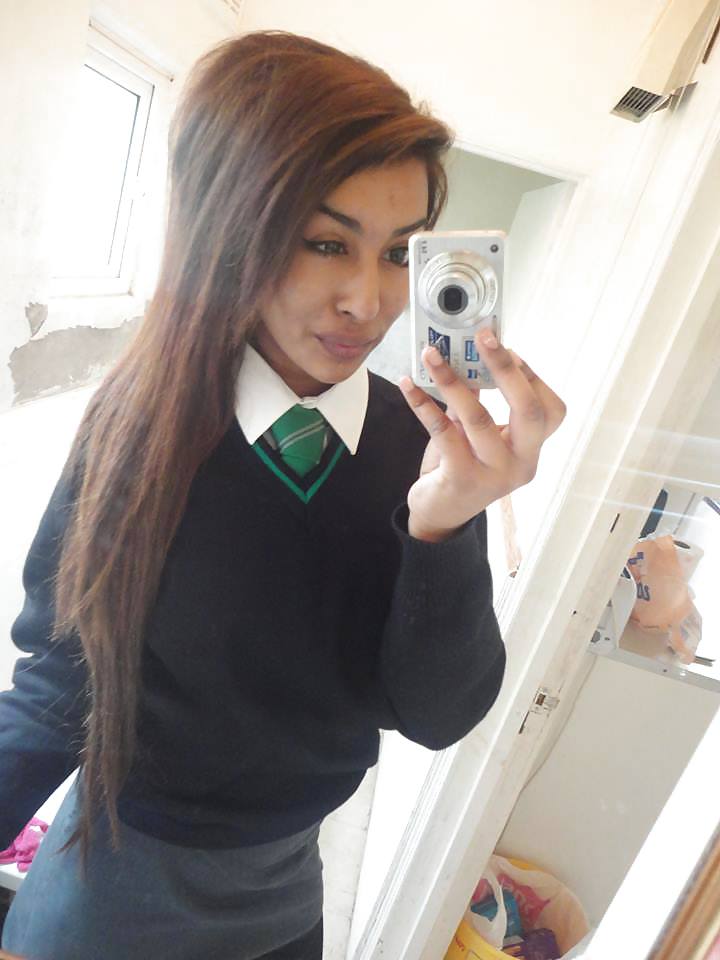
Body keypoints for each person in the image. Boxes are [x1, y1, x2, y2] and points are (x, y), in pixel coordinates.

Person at [0, 29, 566, 960]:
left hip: (287, 900)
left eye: (400, 253)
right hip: (110, 894)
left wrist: (443, 526)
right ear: (233, 227)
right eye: (325, 243)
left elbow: (437, 715)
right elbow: (61, 679)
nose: (367, 301)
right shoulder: (138, 425)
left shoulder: (420, 449)